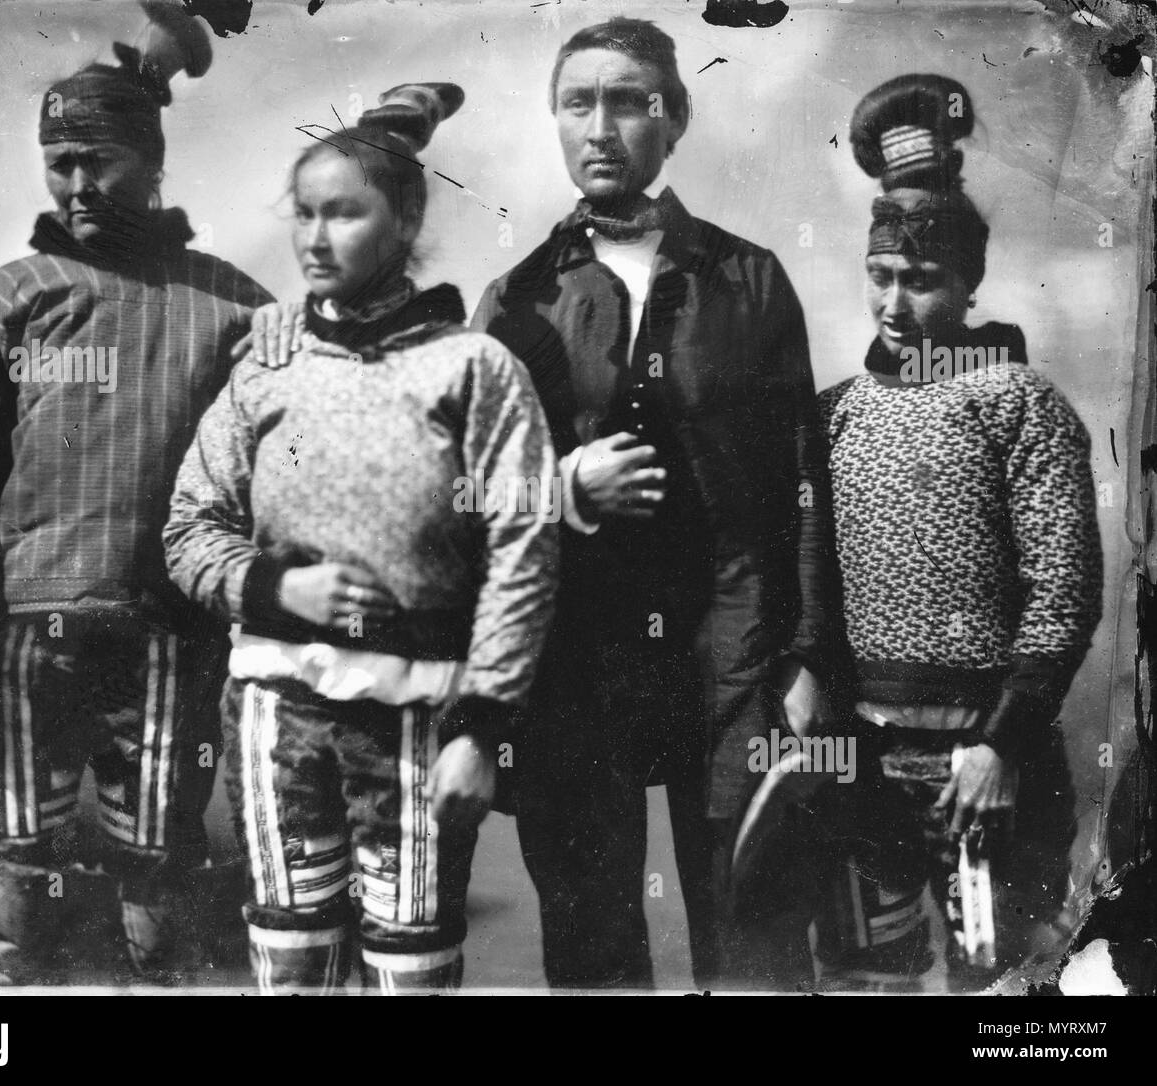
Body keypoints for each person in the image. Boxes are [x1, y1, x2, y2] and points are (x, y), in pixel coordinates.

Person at [0, 6, 274, 985]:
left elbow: (281, 471)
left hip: (169, 637)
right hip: (26, 640)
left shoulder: (232, 308)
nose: (76, 185)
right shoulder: (11, 296)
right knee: (16, 841)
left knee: (157, 847)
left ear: (152, 164)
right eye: (58, 164)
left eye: (97, 161)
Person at [163, 83, 559, 993]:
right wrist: (273, 589)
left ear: (406, 215)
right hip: (275, 716)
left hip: (417, 724)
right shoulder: (270, 371)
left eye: (345, 213)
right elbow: (190, 524)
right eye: (303, 214)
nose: (314, 237)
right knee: (291, 966)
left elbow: (523, 552)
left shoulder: (471, 367)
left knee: (411, 972)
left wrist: (482, 724)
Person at [470, 18, 839, 990]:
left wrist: (803, 662)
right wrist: (561, 489)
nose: (601, 126)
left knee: (754, 925)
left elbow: (803, 480)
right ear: (554, 119)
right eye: (577, 101)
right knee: (591, 936)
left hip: (731, 650)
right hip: (577, 664)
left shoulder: (749, 279)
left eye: (628, 100)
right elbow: (463, 499)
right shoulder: (514, 299)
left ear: (673, 119)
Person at [815, 74, 1103, 990]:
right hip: (862, 762)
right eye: (881, 276)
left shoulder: (1017, 404)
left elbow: (1065, 591)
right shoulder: (835, 414)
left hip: (985, 769)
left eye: (924, 280)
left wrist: (1001, 742)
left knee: (996, 976)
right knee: (871, 968)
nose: (895, 304)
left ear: (971, 281)